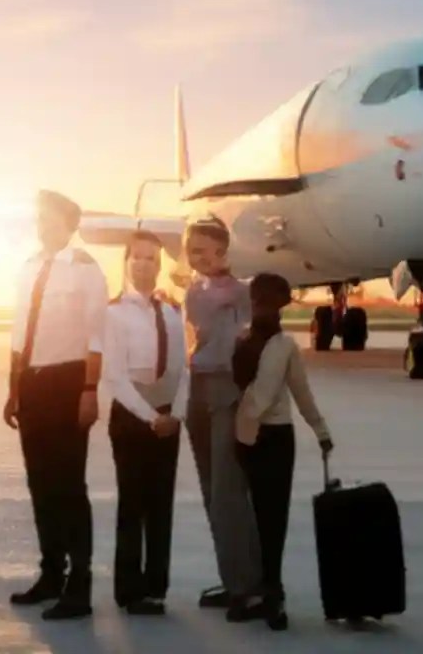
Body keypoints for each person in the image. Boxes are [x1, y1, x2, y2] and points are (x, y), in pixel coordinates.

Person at [6, 190, 109, 621]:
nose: (43, 226)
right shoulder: (29, 267)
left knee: (69, 485)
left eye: (50, 219)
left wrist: (89, 390)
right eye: (39, 218)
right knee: (40, 484)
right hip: (31, 382)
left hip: (69, 382)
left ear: (70, 225)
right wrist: (14, 389)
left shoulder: (85, 269)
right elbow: (17, 334)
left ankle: (79, 585)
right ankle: (51, 573)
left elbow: (97, 335)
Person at [233, 273, 334, 631]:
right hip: (247, 439)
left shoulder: (285, 346)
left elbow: (301, 393)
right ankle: (259, 589)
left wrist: (320, 431)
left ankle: (273, 593)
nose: (265, 308)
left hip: (276, 440)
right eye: (260, 301)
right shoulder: (242, 341)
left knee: (273, 520)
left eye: (271, 303)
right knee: (253, 519)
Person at [180, 216, 266, 621]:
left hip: (227, 391)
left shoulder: (243, 292)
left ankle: (250, 589)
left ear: (224, 251)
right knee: (211, 489)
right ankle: (232, 579)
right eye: (192, 250)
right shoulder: (193, 290)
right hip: (197, 389)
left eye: (206, 250)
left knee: (229, 493)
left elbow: (259, 338)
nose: (198, 257)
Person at [100, 231, 189, 616]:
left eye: (150, 258)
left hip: (168, 416)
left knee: (161, 504)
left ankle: (156, 586)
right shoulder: (113, 313)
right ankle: (129, 589)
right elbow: (114, 377)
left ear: (159, 265)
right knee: (132, 505)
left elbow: (182, 368)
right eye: (136, 257)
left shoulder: (171, 312)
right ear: (125, 262)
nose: (142, 264)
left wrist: (177, 414)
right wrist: (152, 418)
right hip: (133, 416)